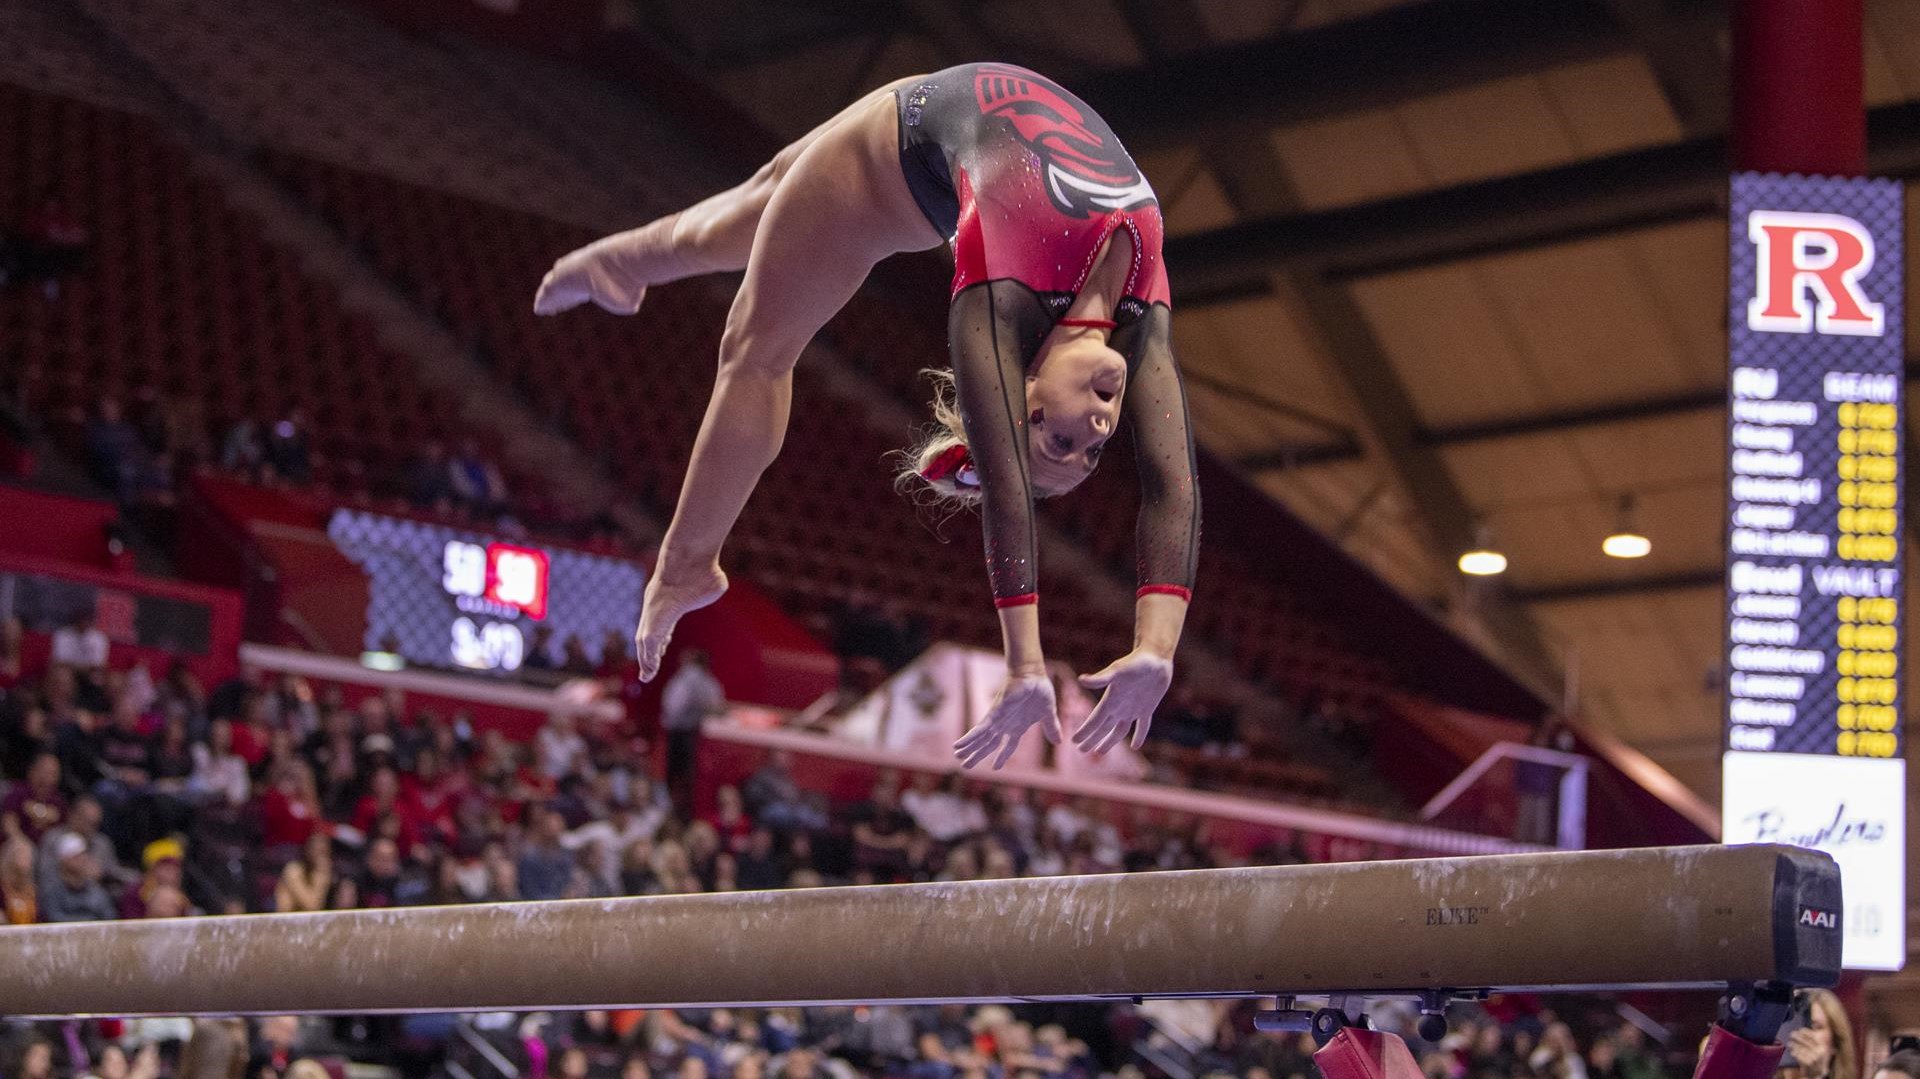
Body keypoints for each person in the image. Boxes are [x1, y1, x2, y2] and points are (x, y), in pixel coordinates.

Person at [536, 63, 1198, 769]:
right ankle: (624, 264)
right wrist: (1156, 651)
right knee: (748, 214)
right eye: (1090, 451)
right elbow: (1172, 485)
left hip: (893, 170)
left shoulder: (1000, 303)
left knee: (755, 347)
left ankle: (687, 562)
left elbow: (1008, 494)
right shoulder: (1138, 312)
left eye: (1063, 440)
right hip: (942, 112)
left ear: (1025, 400)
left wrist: (1027, 663)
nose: (1097, 432)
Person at [660, 650, 724, 807]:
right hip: (682, 731)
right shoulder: (696, 679)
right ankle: (677, 804)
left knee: (679, 774)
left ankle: (677, 804)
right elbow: (716, 704)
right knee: (680, 774)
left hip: (686, 732)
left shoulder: (691, 678)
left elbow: (713, 703)